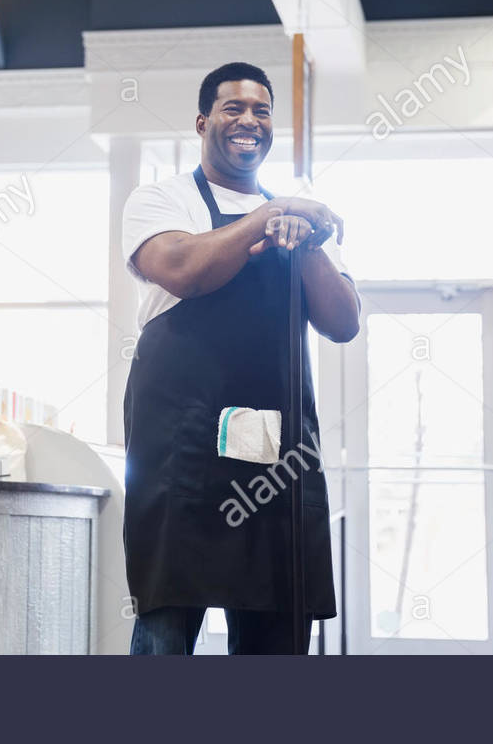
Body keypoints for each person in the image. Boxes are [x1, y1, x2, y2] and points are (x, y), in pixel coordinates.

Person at [121, 61, 360, 655]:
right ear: (203, 122)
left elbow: (343, 322)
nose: (248, 120)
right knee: (166, 626)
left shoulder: (299, 222)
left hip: (277, 460)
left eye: (261, 110)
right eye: (233, 108)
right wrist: (268, 217)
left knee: (277, 629)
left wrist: (307, 243)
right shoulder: (160, 200)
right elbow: (184, 271)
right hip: (183, 458)